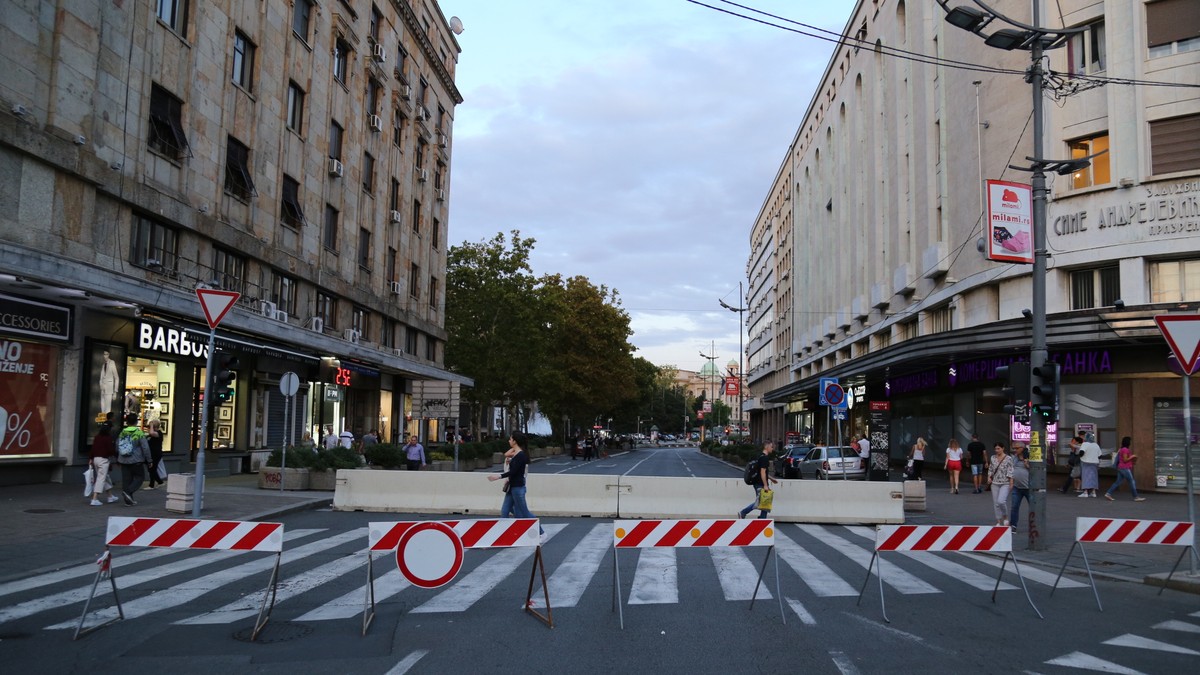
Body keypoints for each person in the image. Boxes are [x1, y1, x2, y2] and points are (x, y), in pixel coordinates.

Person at [488, 432, 545, 537]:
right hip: (512, 487)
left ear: (515, 441)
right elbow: (509, 461)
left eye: (510, 439)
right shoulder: (517, 454)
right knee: (505, 511)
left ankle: (541, 533)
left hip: (518, 489)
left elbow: (513, 472)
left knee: (525, 513)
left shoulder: (520, 456)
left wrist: (498, 476)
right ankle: (503, 536)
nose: (509, 441)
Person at [116, 413, 150, 505]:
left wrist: (118, 457)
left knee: (126, 480)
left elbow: (117, 445)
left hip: (123, 460)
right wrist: (149, 460)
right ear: (136, 421)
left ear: (127, 422)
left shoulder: (122, 432)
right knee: (140, 477)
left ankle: (128, 501)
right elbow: (145, 448)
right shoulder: (139, 433)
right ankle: (128, 492)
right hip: (136, 460)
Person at [738, 442, 779, 519]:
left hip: (758, 482)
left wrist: (771, 478)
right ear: (767, 447)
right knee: (760, 501)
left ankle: (762, 518)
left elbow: (762, 471)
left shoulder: (759, 456)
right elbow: (762, 472)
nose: (773, 449)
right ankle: (743, 512)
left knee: (766, 500)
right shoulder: (764, 458)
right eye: (772, 447)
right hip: (760, 483)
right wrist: (765, 485)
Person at [1105, 436, 1146, 502]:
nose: (1131, 443)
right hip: (1124, 468)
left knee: (1118, 482)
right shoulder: (1125, 450)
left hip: (1121, 467)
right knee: (1132, 481)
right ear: (1128, 442)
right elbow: (1125, 460)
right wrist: (1132, 456)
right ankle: (1136, 497)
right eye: (1130, 441)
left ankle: (1108, 493)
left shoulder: (1121, 449)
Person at [88, 422, 119, 505]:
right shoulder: (108, 438)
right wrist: (117, 456)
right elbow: (110, 450)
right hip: (103, 460)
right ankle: (94, 498)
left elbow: (93, 448)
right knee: (101, 478)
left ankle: (110, 496)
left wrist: (91, 458)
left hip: (96, 459)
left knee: (105, 477)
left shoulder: (97, 437)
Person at [987, 442, 1015, 527]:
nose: (997, 450)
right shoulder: (993, 458)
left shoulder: (1008, 458)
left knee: (1001, 501)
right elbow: (991, 468)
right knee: (996, 503)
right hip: (995, 483)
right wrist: (989, 477)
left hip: (1005, 483)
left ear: (1003, 448)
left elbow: (1010, 470)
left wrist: (1011, 482)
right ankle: (998, 521)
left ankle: (1005, 517)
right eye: (995, 449)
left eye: (998, 448)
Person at [1009, 445, 1032, 531]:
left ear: (1022, 448)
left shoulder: (1029, 457)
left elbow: (1035, 471)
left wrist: (1027, 464)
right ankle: (1013, 525)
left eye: (1017, 448)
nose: (1015, 450)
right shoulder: (1015, 458)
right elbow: (1011, 469)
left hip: (1028, 487)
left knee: (1033, 507)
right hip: (1017, 487)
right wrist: (1011, 481)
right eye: (1014, 448)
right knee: (1014, 506)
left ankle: (1035, 525)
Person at [1078, 433, 1102, 498]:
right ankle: (1093, 492)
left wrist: (1079, 456)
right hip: (1094, 463)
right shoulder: (1096, 445)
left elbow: (1081, 453)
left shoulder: (1084, 444)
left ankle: (1085, 492)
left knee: (1085, 477)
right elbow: (1100, 455)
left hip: (1085, 462)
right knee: (1093, 478)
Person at [98, 349, 120, 416]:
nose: (105, 356)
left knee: (107, 408)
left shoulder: (112, 363)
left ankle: (106, 422)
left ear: (109, 354)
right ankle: (103, 422)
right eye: (104, 354)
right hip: (103, 389)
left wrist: (115, 391)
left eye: (106, 354)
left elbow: (116, 377)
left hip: (109, 389)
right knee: (102, 407)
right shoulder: (103, 365)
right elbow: (101, 377)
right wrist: (101, 385)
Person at [144, 419, 165, 489]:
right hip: (151, 454)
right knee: (152, 469)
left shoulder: (159, 433)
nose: (149, 428)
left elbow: (152, 433)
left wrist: (151, 424)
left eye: (150, 427)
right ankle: (155, 483)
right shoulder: (151, 434)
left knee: (152, 469)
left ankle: (155, 484)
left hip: (156, 454)